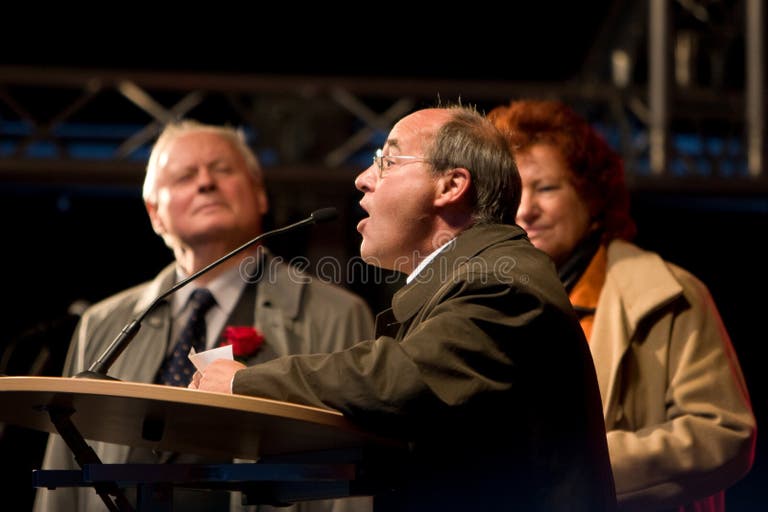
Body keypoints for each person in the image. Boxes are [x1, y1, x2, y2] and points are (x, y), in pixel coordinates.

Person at [192, 105, 617, 511]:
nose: (362, 179)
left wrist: (242, 384)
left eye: (387, 161)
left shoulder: (502, 281)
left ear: (451, 186)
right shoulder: (473, 278)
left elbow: (398, 382)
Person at [34, 120, 375, 512]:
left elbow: (355, 481)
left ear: (260, 194)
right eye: (184, 176)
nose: (206, 183)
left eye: (222, 169)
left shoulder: (334, 315)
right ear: (155, 213)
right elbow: (62, 475)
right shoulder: (103, 323)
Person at [487, 99, 757, 511]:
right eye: (514, 192)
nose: (526, 209)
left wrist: (577, 468)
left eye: (547, 188)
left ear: (593, 198)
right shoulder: (487, 302)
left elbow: (723, 435)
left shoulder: (670, 295)